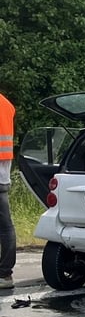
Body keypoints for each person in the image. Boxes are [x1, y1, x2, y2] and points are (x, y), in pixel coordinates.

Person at [0, 92, 15, 289]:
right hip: (2, 174)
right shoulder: (6, 103)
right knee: (5, 227)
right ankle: (5, 274)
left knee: (5, 227)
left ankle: (4, 274)